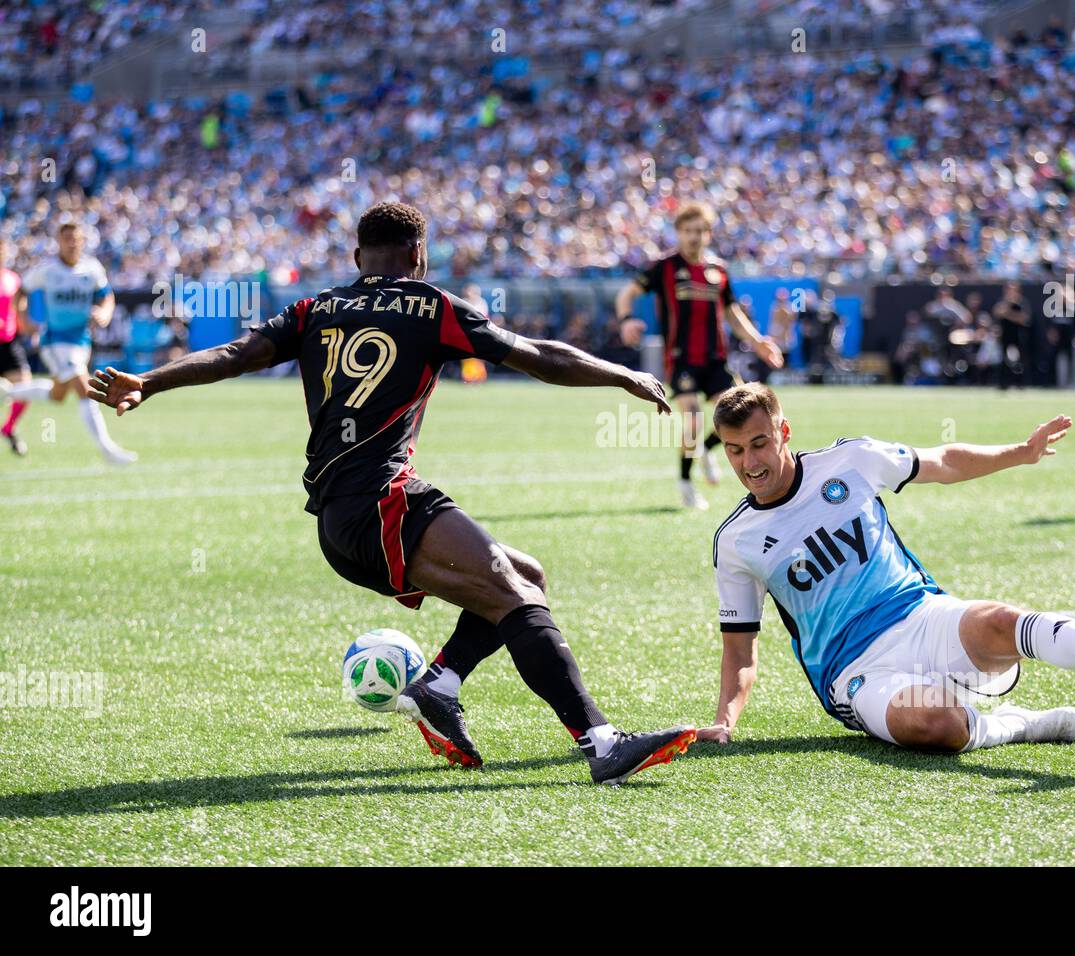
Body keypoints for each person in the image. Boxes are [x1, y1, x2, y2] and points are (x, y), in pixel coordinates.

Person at [88, 202, 695, 785]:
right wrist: (623, 373)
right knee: (515, 598)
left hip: (338, 520)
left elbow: (234, 353)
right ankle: (602, 742)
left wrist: (147, 380)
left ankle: (440, 685)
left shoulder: (314, 307)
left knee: (525, 576)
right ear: (418, 255)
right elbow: (538, 354)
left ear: (357, 255)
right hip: (382, 500)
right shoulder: (431, 307)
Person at [699, 382, 1075, 752]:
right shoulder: (736, 542)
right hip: (854, 669)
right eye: (735, 450)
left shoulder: (852, 461)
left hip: (920, 616)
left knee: (1001, 621)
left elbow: (944, 462)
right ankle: (1018, 724)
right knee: (936, 724)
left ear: (784, 432)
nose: (749, 463)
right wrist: (725, 720)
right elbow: (740, 651)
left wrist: (1022, 453)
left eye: (759, 443)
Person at [614, 201, 783, 510]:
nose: (694, 237)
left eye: (700, 231)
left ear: (709, 234)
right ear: (678, 233)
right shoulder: (664, 267)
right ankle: (686, 483)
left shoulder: (718, 271)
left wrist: (758, 342)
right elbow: (626, 294)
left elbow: (731, 312)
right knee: (692, 422)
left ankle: (704, 449)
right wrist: (626, 320)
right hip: (681, 359)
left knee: (740, 414)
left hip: (715, 359)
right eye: (688, 231)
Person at [8, 221, 135, 463]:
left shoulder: (91, 268)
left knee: (58, 395)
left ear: (82, 241)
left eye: (76, 239)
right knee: (84, 388)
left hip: (80, 340)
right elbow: (21, 292)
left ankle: (8, 392)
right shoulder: (47, 270)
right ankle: (107, 449)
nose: (72, 243)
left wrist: (105, 313)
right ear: (59, 241)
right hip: (55, 341)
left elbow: (106, 296)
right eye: (67, 239)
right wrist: (24, 320)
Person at [0, 237, 31, 455]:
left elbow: (19, 310)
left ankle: (9, 428)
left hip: (9, 344)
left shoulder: (13, 280)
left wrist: (27, 328)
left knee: (26, 391)